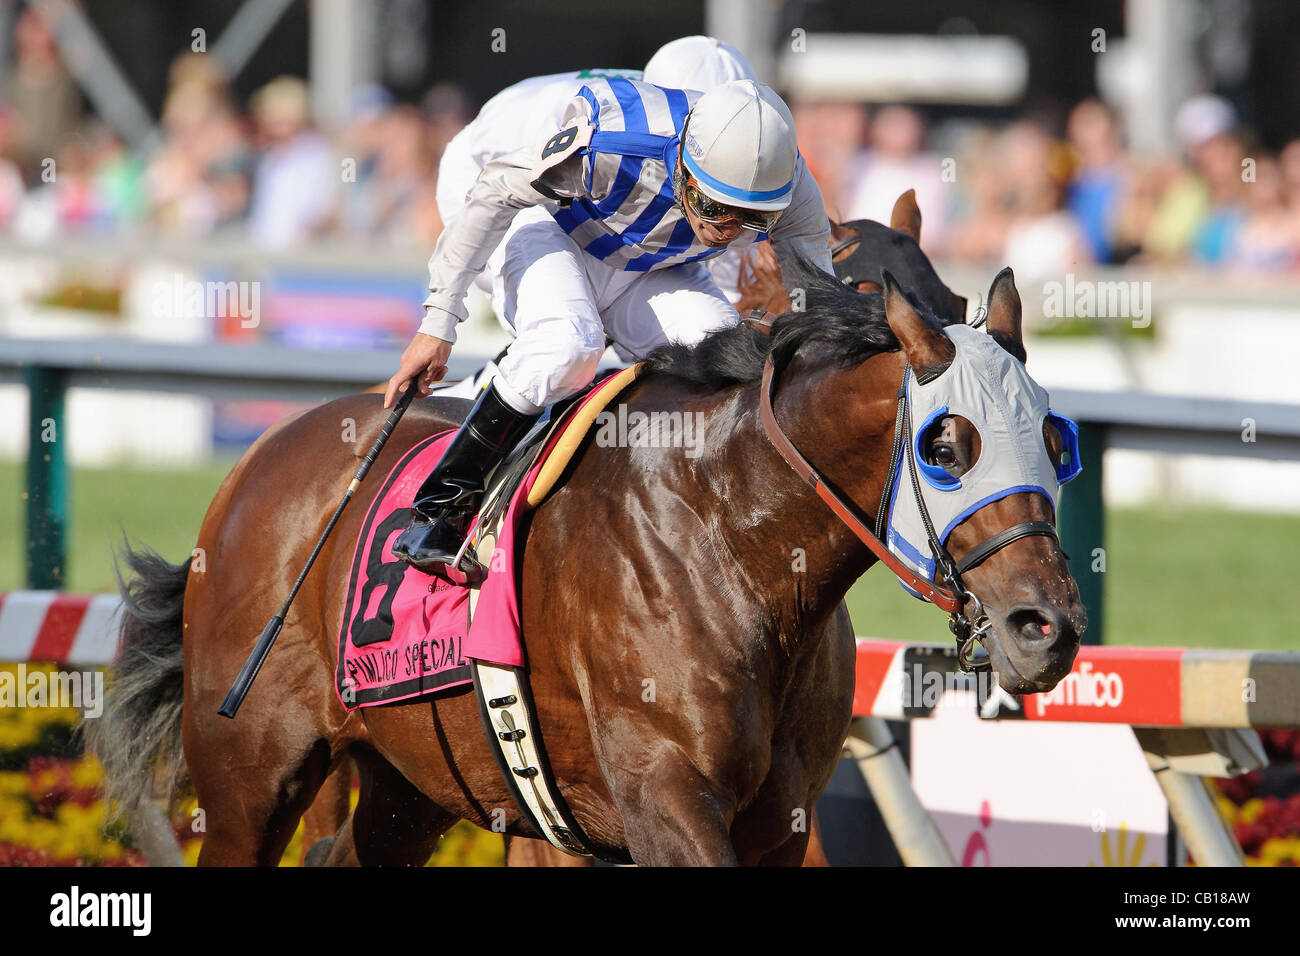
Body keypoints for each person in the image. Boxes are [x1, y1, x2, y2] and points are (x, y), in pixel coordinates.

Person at [385, 70, 833, 573]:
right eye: (711, 206)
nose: (724, 230)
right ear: (684, 166)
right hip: (546, 223)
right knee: (568, 346)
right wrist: (439, 319)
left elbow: (818, 299)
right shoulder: (615, 144)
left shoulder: (792, 189)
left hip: (644, 263)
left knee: (729, 362)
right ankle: (439, 508)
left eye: (749, 220)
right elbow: (494, 191)